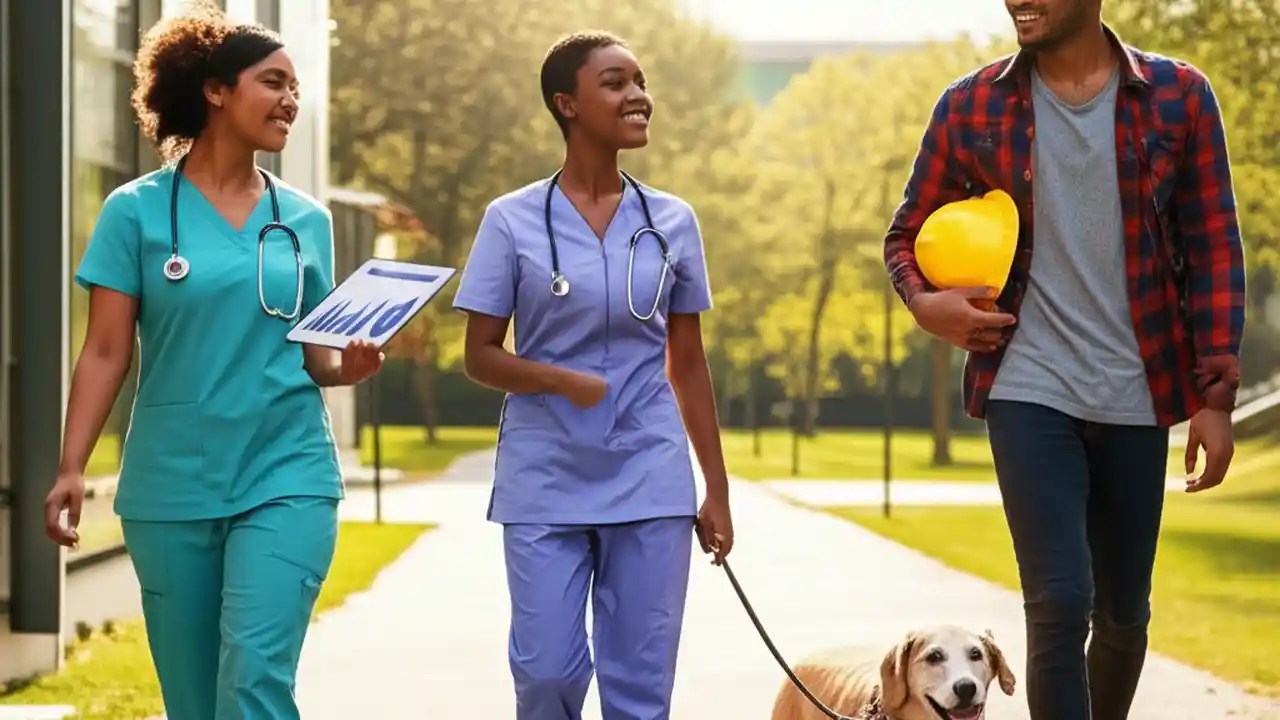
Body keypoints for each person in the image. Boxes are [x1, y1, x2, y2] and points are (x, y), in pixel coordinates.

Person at [883, 2, 1245, 718]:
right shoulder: (969, 105)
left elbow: (1213, 248)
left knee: (1123, 615)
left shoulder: (1180, 97)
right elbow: (905, 235)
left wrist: (1215, 398)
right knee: (1058, 601)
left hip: (1137, 388)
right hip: (1026, 383)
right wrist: (925, 304)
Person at [42, 4, 382, 718]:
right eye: (273, 82)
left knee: (254, 680)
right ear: (216, 90)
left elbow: (317, 355)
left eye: (295, 87)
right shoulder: (134, 212)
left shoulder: (306, 220)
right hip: (172, 483)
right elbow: (105, 351)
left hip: (286, 471)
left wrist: (343, 367)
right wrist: (72, 466)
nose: (291, 100)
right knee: (193, 702)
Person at [453, 30, 734, 720]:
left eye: (640, 82)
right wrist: (558, 380)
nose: (638, 96)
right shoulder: (510, 220)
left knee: (641, 686)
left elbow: (687, 361)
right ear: (567, 104)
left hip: (649, 470)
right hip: (545, 474)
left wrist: (717, 488)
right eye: (615, 83)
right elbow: (480, 354)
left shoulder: (672, 220)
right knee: (545, 673)